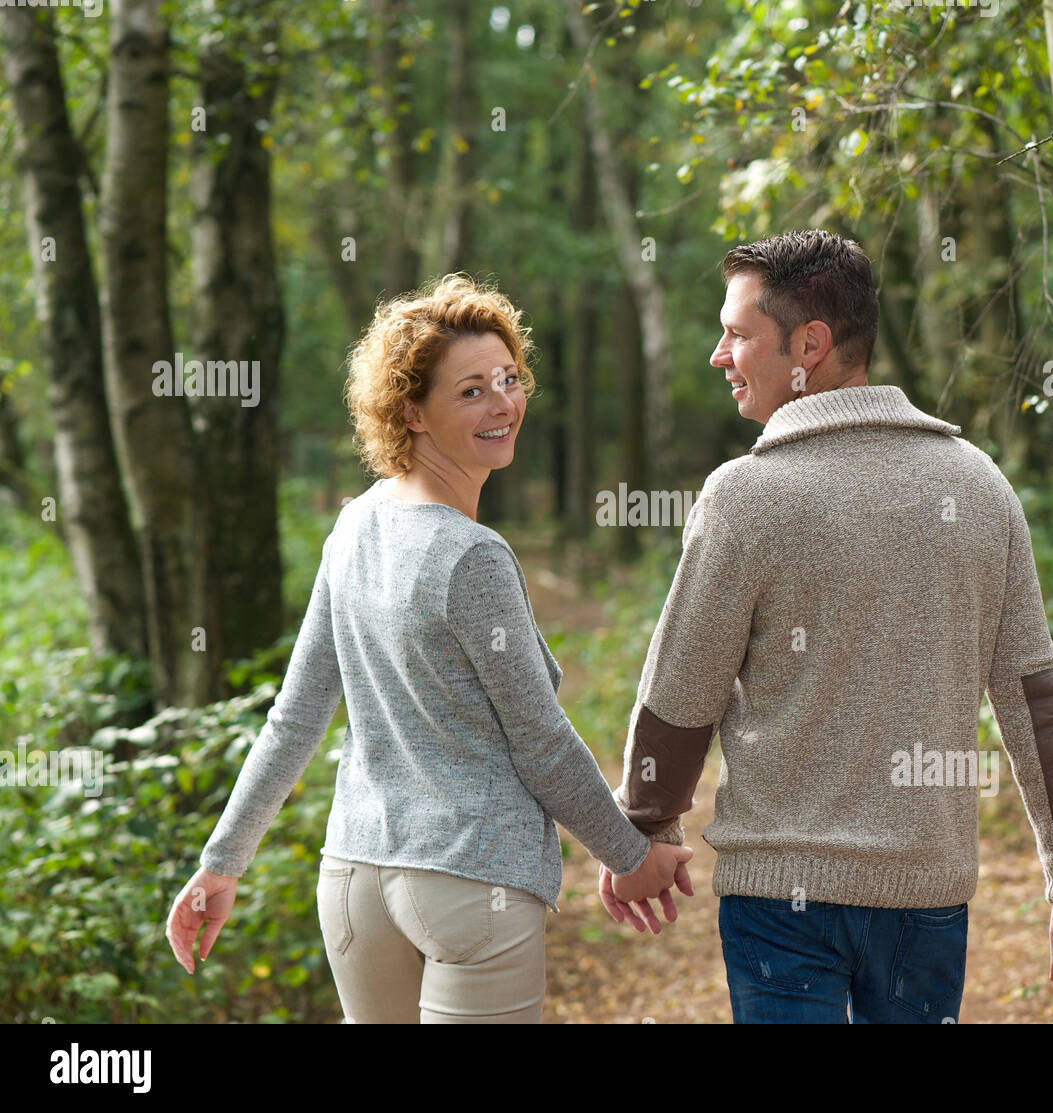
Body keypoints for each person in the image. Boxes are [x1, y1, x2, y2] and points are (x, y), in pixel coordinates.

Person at [598, 229, 1053, 1023]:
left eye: (738, 334)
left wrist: (645, 827)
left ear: (809, 344)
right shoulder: (978, 485)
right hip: (926, 899)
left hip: (780, 897)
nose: (719, 354)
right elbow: (1035, 701)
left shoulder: (745, 496)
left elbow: (681, 690)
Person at [164, 274, 692, 1023]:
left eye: (509, 379)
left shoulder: (356, 524)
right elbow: (538, 740)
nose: (504, 403)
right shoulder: (470, 556)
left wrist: (223, 861)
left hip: (355, 881)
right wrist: (630, 856)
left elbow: (297, 715)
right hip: (470, 887)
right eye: (471, 390)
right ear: (410, 410)